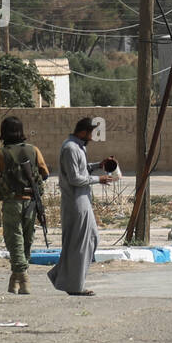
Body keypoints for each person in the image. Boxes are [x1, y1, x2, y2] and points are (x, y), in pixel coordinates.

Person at [48, 118, 116, 296]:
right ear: (83, 132)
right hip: (75, 202)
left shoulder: (78, 147)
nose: (92, 137)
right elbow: (75, 179)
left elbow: (82, 171)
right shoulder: (70, 148)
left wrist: (98, 166)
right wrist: (98, 179)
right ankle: (75, 285)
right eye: (91, 133)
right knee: (80, 244)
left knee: (89, 239)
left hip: (83, 200)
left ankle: (62, 277)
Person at [0, 116, 50, 294]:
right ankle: (17, 278)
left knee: (15, 240)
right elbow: (45, 173)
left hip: (12, 202)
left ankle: (22, 277)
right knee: (26, 240)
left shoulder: (0, 154)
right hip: (31, 202)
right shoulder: (34, 150)